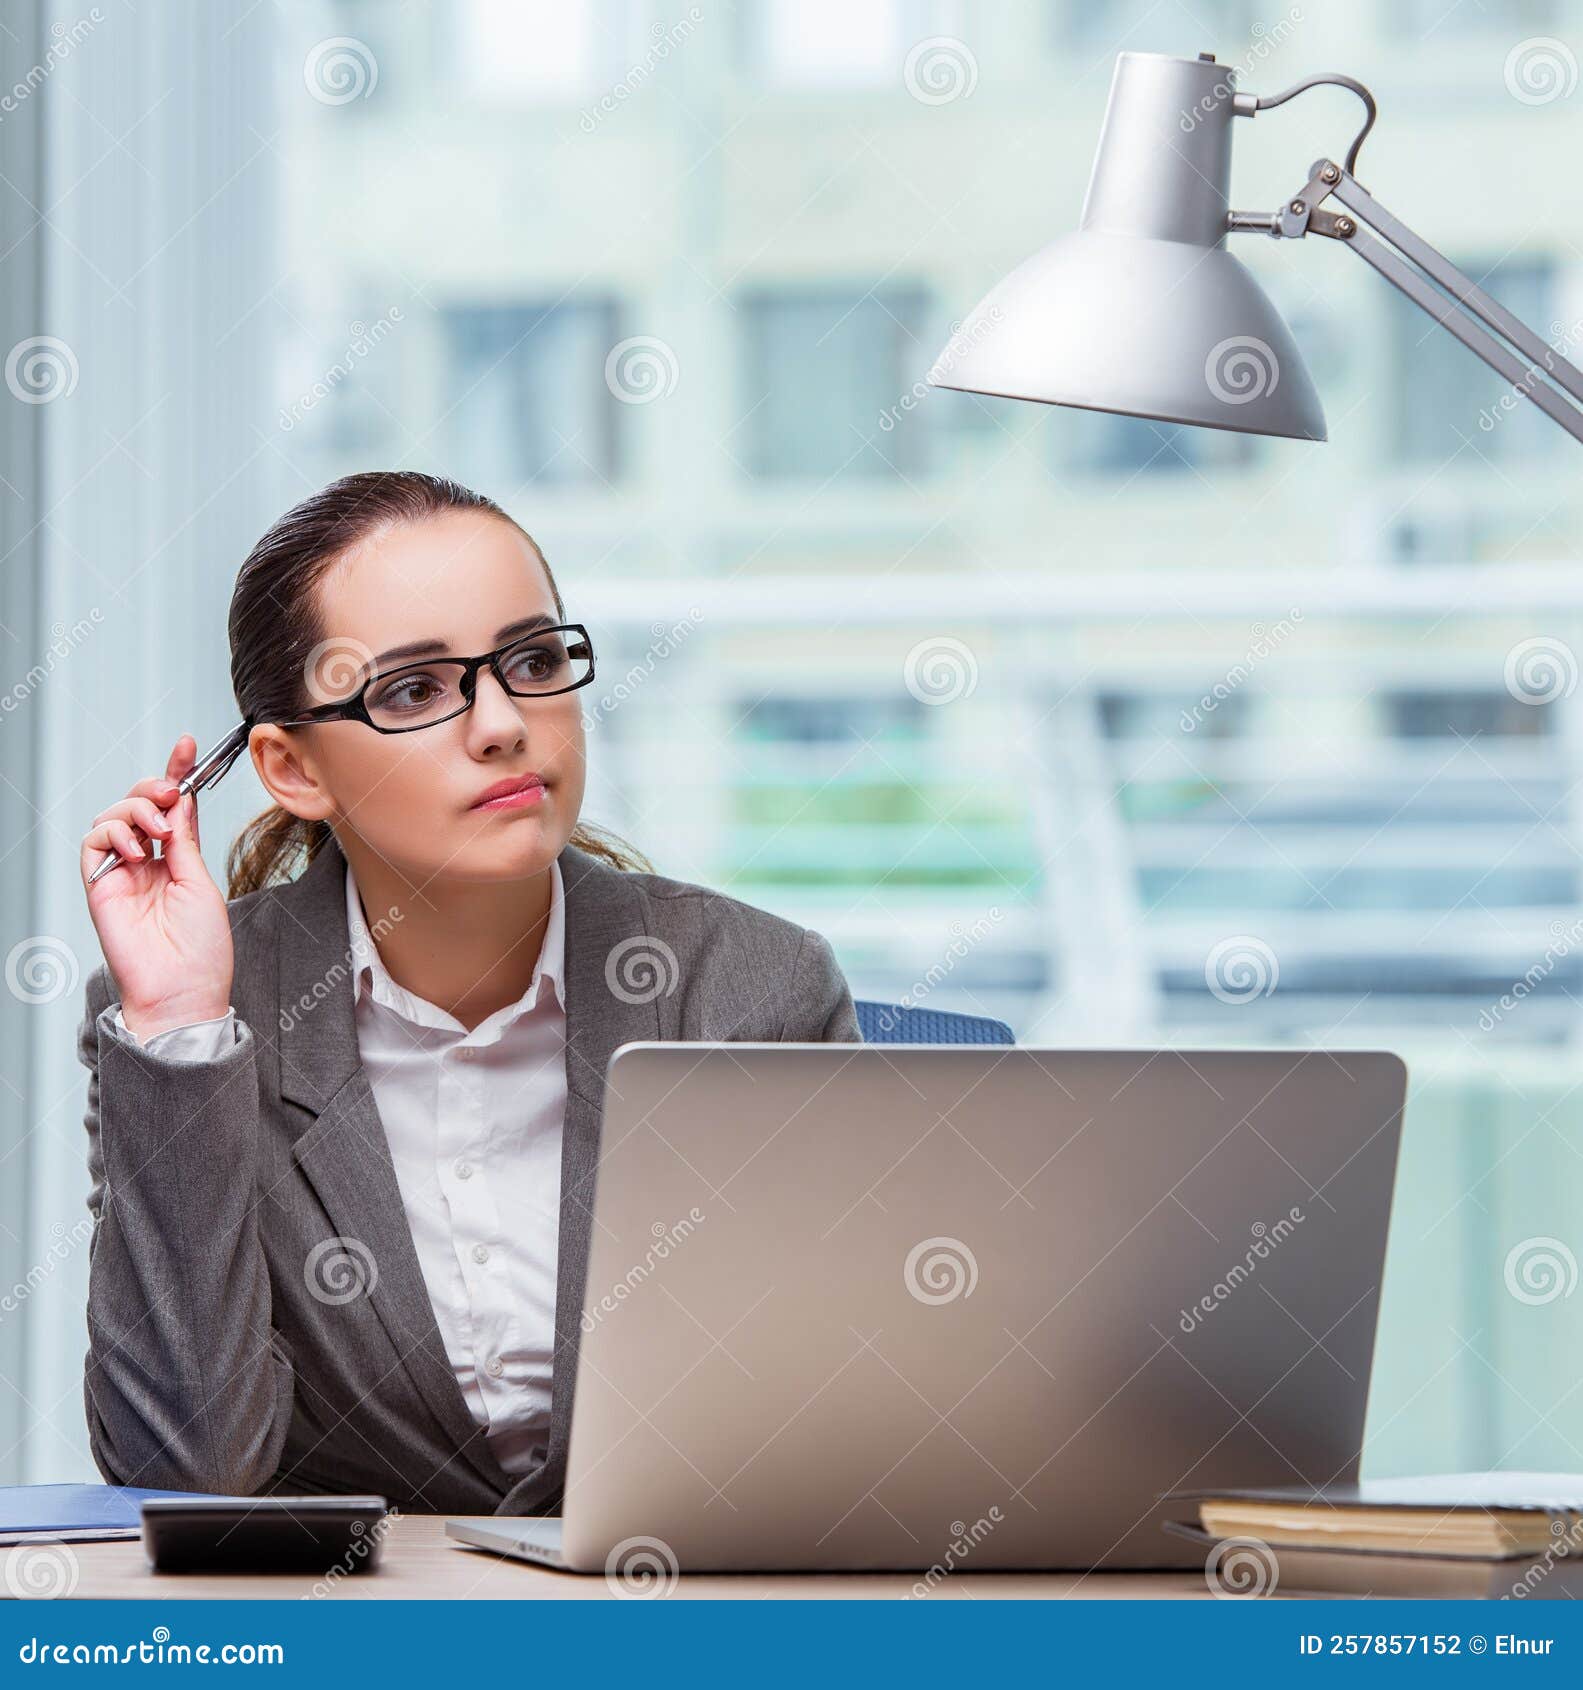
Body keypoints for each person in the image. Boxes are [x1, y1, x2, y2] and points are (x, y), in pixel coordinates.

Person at [76, 469, 861, 1516]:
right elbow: (190, 1468)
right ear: (293, 769)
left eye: (532, 662)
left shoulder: (753, 989)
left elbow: (847, 1425)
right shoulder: (205, 1021)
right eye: (413, 690)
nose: (500, 723)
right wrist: (180, 1029)